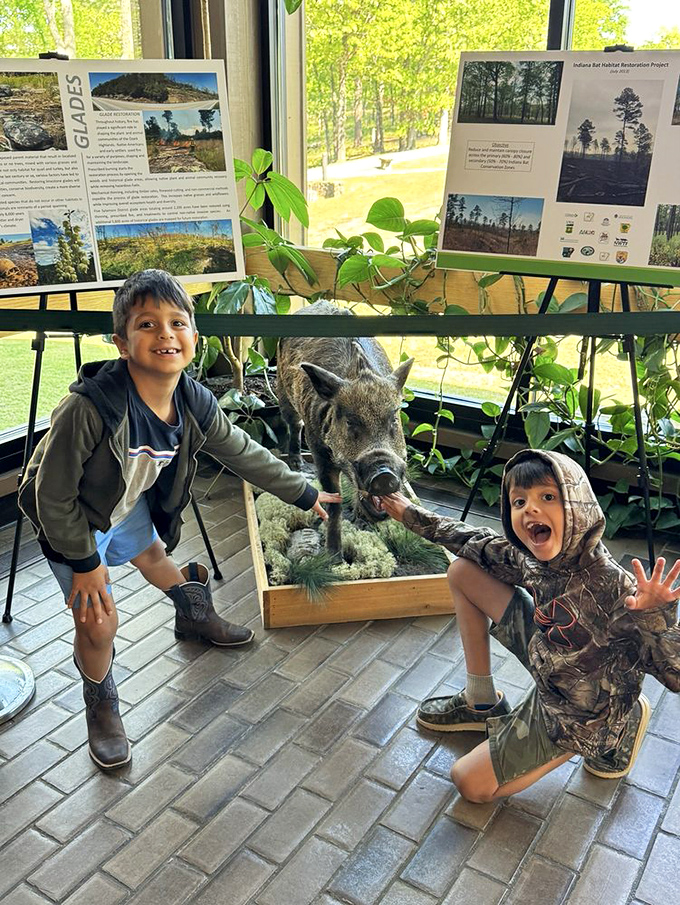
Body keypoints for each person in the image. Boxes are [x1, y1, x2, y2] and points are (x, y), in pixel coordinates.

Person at [18, 268, 340, 772]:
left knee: (151, 555)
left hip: (122, 502)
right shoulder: (89, 409)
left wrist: (301, 491)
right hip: (72, 520)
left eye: (176, 322)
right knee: (98, 621)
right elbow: (51, 494)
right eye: (146, 325)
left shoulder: (192, 399)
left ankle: (192, 615)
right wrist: (84, 563)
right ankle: (100, 702)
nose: (164, 334)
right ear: (122, 343)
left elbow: (239, 450)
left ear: (194, 337)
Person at [379, 449, 680, 802]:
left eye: (548, 497)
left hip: (579, 712)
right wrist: (408, 514)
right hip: (551, 661)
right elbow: (473, 541)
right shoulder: (531, 558)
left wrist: (655, 616)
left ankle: (615, 726)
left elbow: (674, 673)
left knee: (469, 783)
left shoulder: (615, 586)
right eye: (519, 501)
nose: (530, 509)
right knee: (463, 571)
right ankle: (481, 701)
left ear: (577, 505)